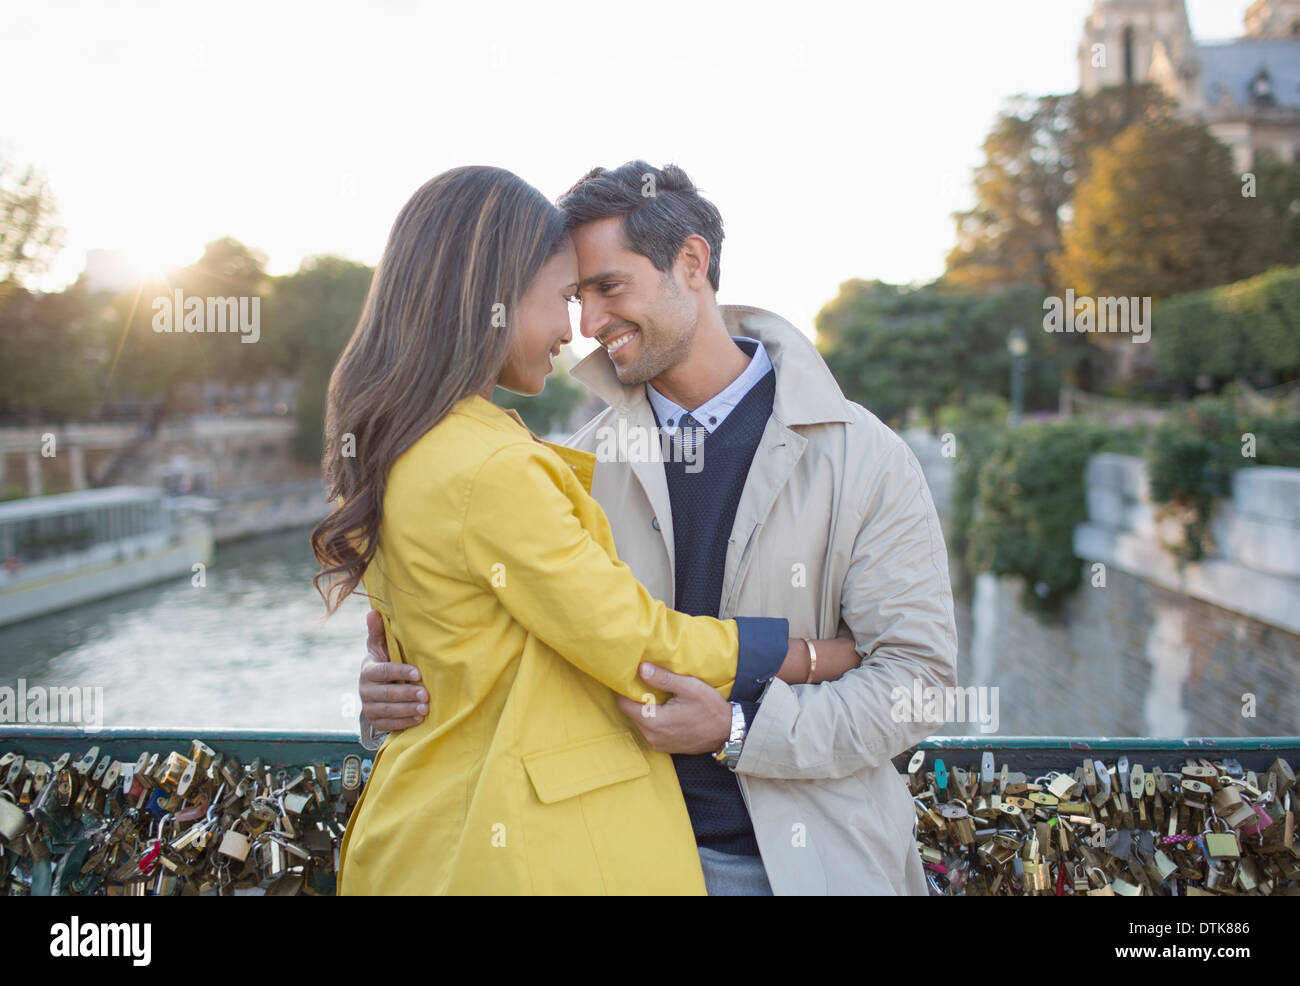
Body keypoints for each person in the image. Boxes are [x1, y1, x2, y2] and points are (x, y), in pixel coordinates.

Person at [359, 161, 960, 895]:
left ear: (692, 263)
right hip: (608, 863)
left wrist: (740, 734)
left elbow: (919, 687)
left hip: (816, 868)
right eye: (575, 296)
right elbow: (499, 666)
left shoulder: (864, 457)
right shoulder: (562, 470)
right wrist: (393, 693)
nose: (588, 324)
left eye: (609, 287)